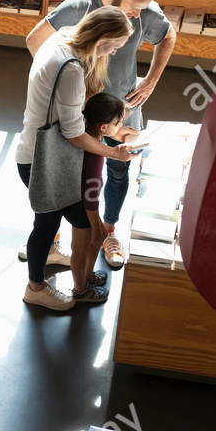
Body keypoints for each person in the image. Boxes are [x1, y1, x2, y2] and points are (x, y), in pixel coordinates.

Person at [25, 0, 177, 270]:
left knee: (119, 169)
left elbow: (168, 35)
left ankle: (108, 231)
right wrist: (61, 83)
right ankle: (51, 236)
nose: (140, 14)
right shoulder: (80, 6)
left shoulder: (144, 9)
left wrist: (150, 81)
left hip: (123, 108)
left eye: (146, 7)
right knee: (68, 173)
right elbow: (35, 40)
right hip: (80, 110)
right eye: (136, 7)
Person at [17, 6, 135, 311]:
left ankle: (76, 277)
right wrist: (113, 151)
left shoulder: (63, 38)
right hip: (42, 159)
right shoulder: (71, 68)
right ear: (103, 38)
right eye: (115, 46)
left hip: (45, 151)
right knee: (46, 224)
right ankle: (36, 288)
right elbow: (72, 132)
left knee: (75, 220)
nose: (113, 53)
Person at [74, 92, 134, 305]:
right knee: (86, 245)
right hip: (84, 206)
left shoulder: (92, 140)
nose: (119, 127)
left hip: (85, 202)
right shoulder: (95, 156)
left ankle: (88, 276)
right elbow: (90, 191)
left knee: (96, 239)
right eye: (117, 124)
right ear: (103, 128)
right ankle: (81, 289)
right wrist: (95, 221)